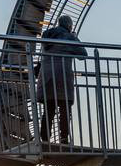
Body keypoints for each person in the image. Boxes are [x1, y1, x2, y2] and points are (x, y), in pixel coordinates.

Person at [37, 14, 87, 144]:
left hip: (47, 77)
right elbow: (83, 55)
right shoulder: (69, 37)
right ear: (69, 26)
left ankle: (45, 138)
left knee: (49, 109)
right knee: (64, 109)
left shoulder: (47, 36)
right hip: (63, 77)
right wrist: (75, 37)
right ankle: (64, 138)